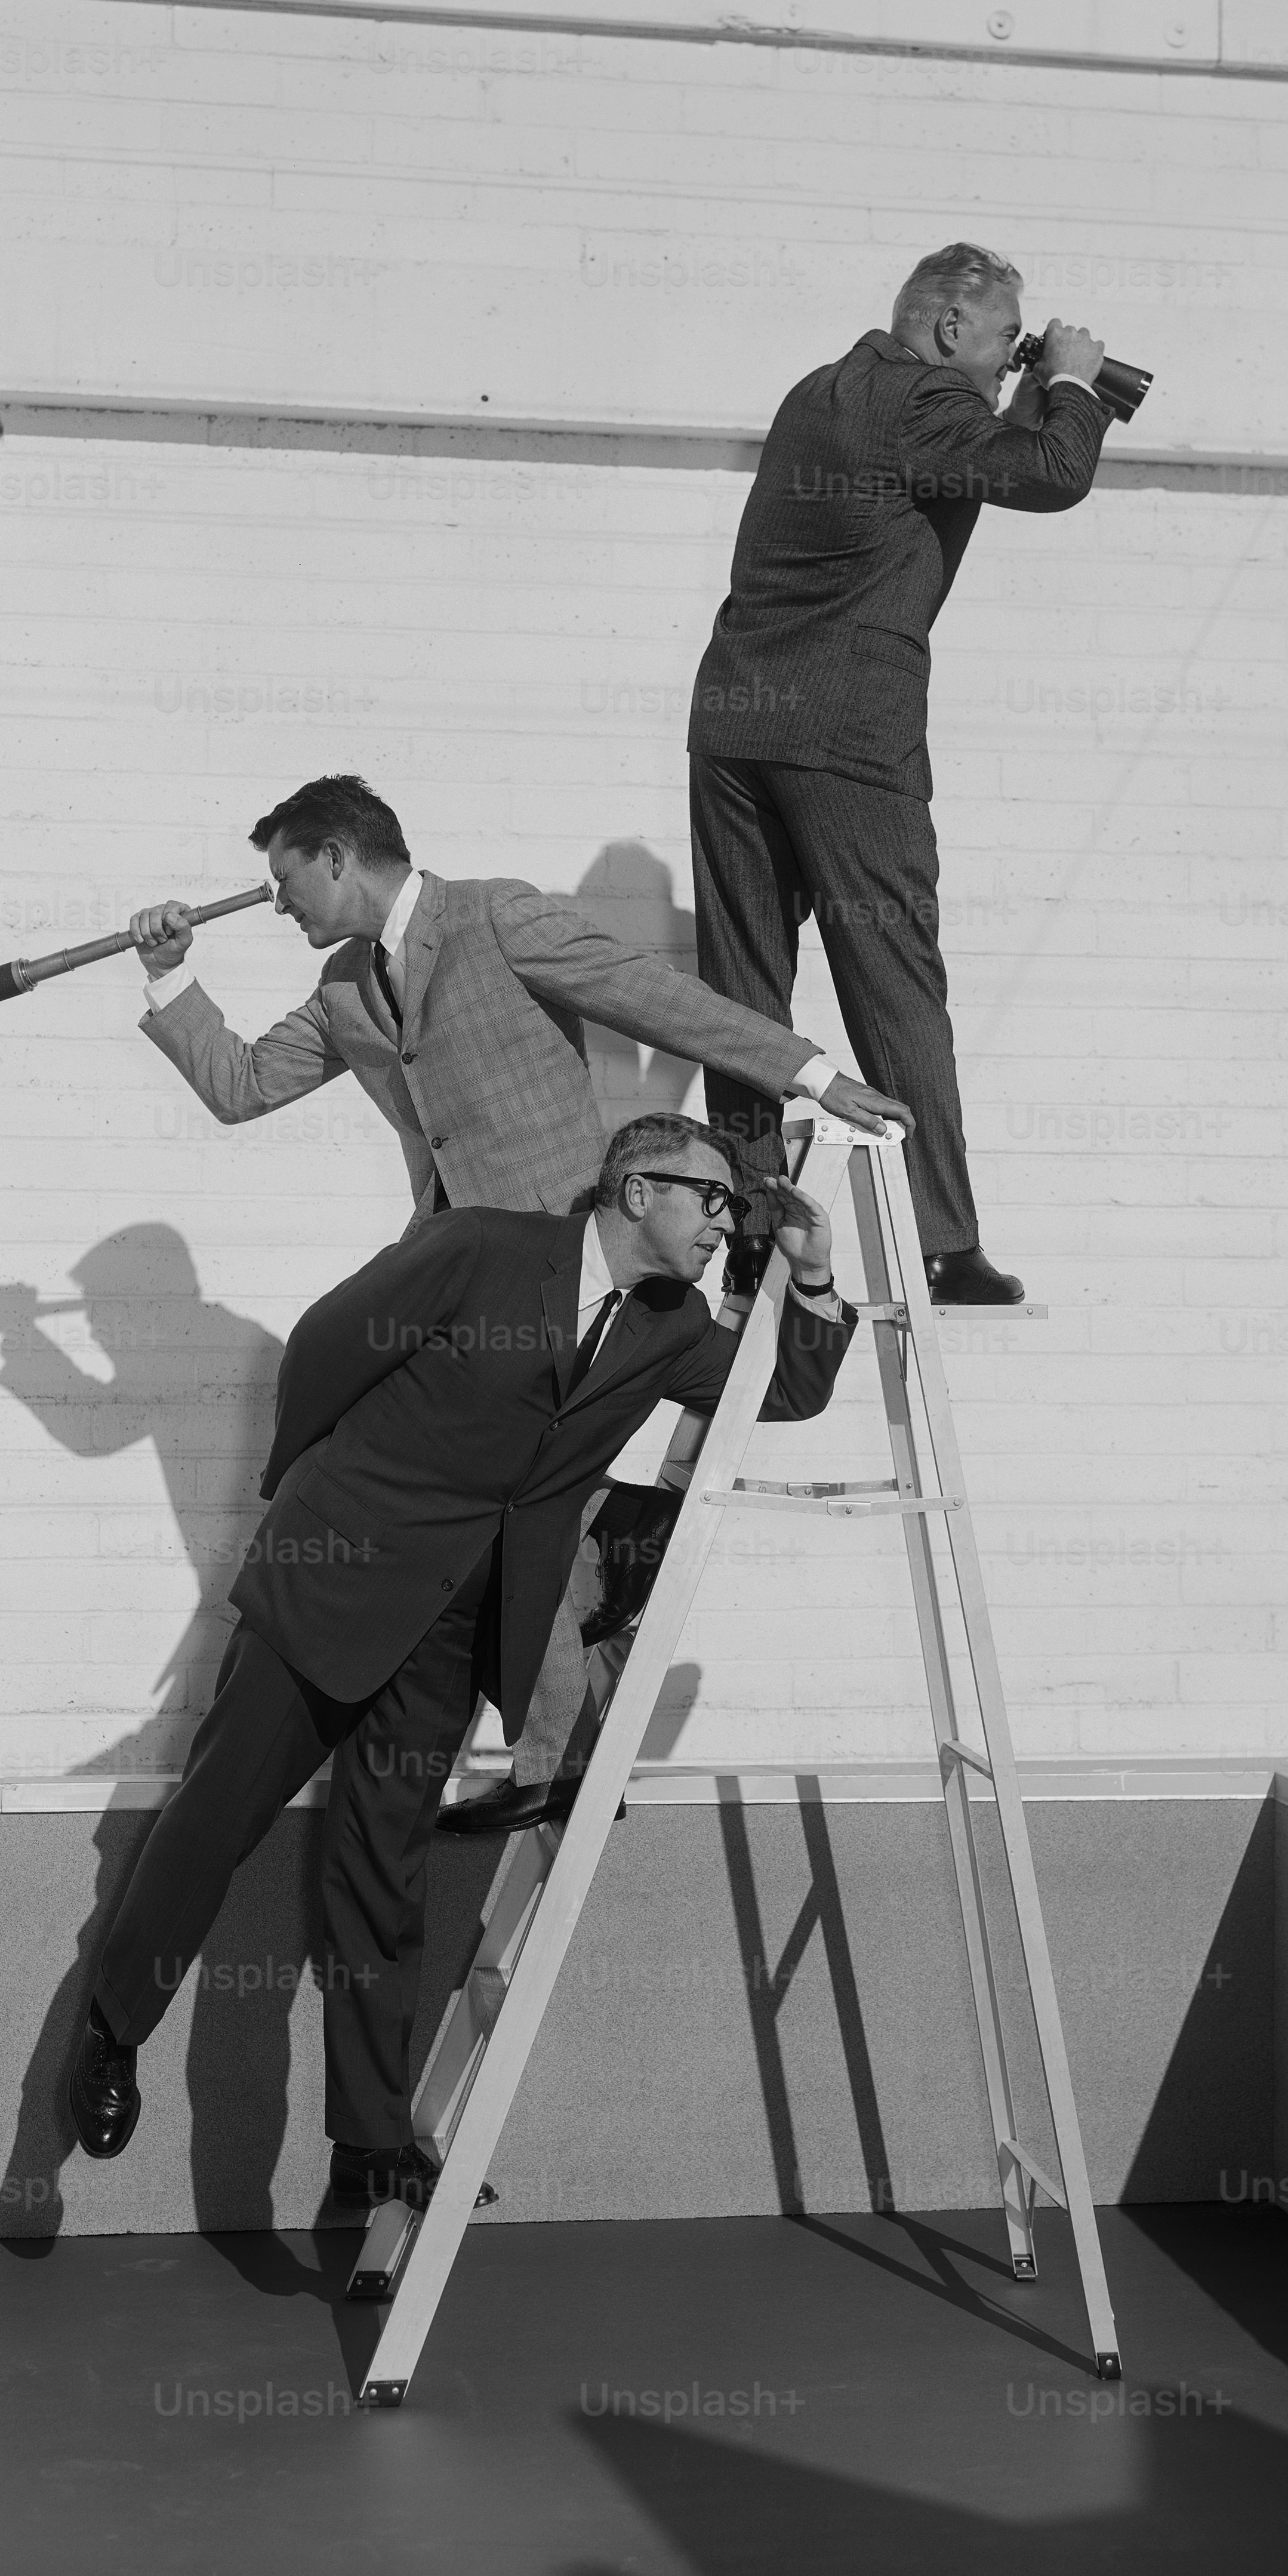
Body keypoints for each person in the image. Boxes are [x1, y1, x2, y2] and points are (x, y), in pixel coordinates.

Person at [65, 1114, 856, 2208]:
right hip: (329, 1585)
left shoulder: (667, 1326)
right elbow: (326, 1348)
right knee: (213, 1825)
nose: (726, 1224)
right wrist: (310, 1506)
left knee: (383, 1877)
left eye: (730, 1209)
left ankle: (369, 2140)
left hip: (453, 1624)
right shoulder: (478, 1245)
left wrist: (813, 1275)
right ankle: (112, 2024)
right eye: (711, 1200)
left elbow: (789, 1388)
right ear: (638, 1190)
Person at [129, 771, 910, 1838]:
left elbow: (653, 998)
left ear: (338, 857)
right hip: (454, 1290)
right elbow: (240, 1088)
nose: (280, 905)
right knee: (493, 1506)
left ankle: (563, 1727)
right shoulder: (347, 992)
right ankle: (548, 1737)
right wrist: (169, 977)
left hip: (571, 1265)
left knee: (536, 1509)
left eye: (285, 881)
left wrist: (811, 1076)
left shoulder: (495, 916)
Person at [686, 242, 1117, 1305]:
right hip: (846, 737)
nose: (1003, 366)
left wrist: (1024, 392)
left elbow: (961, 459)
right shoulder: (927, 397)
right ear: (948, 328)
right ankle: (937, 1240)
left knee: (743, 987)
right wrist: (1069, 382)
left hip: (736, 721)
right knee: (894, 977)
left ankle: (747, 1226)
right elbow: (1051, 478)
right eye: (1002, 344)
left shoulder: (821, 392)